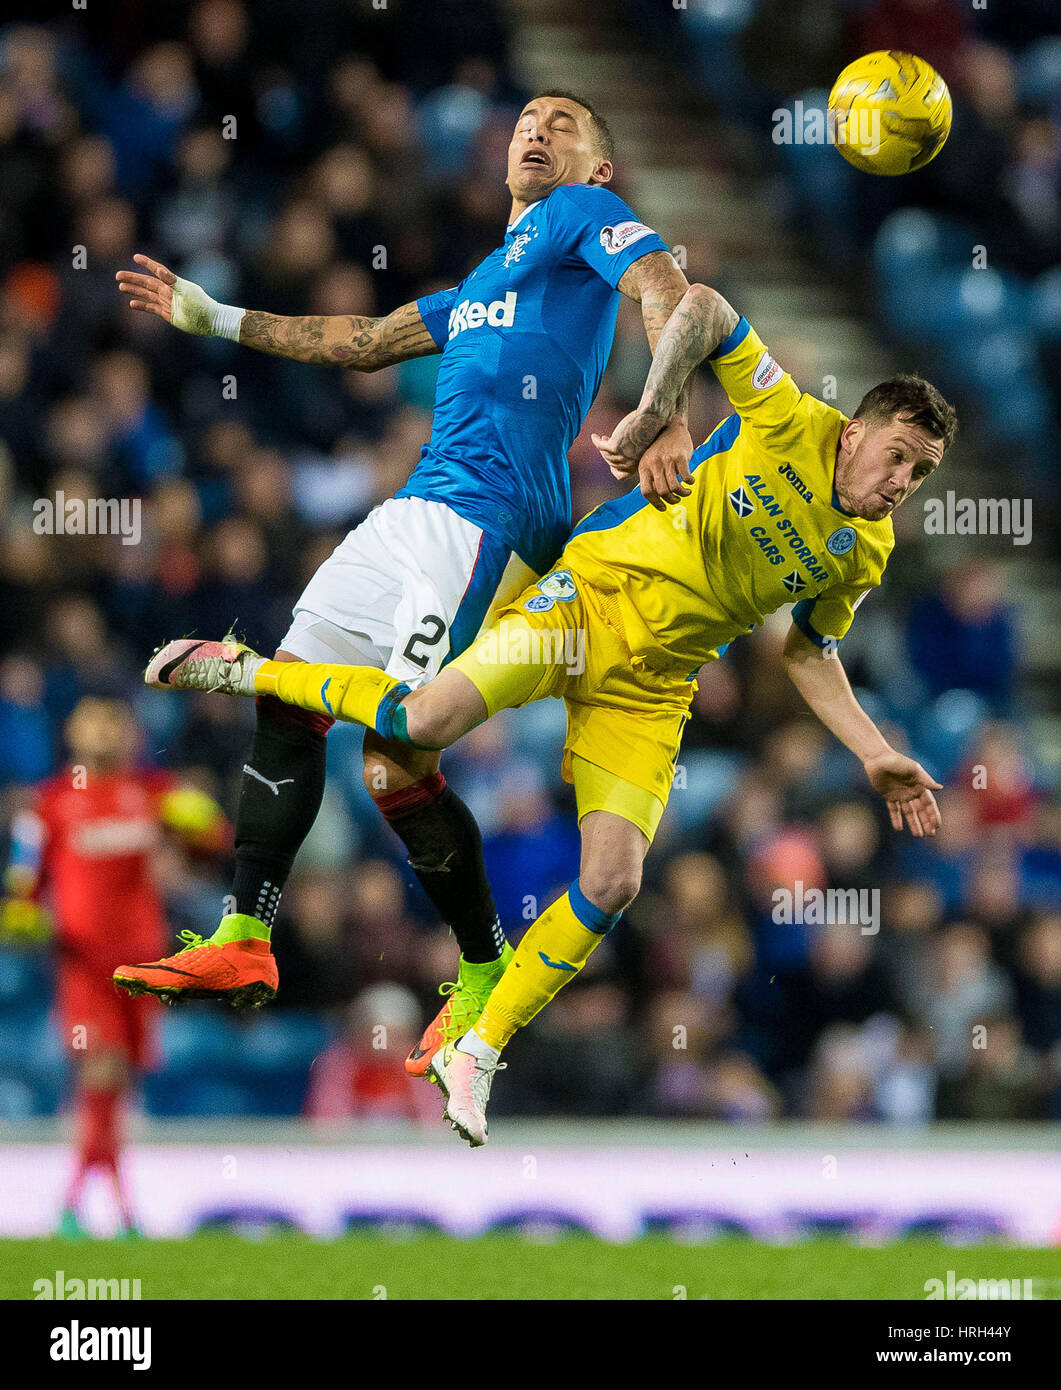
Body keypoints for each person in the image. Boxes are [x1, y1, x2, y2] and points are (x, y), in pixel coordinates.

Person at [121, 281, 956, 1145]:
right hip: (586, 601)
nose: (902, 482)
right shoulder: (785, 417)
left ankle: (477, 1049)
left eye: (921, 473)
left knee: (614, 881)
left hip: (655, 684)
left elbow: (806, 651)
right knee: (418, 724)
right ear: (853, 430)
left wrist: (872, 751)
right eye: (896, 455)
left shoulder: (864, 549)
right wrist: (655, 413)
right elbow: (700, 306)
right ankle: (255, 674)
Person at [114, 92, 695, 1076]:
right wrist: (215, 317)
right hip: (412, 509)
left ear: (599, 166)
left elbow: (665, 285)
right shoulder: (484, 280)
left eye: (564, 121)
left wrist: (664, 412)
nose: (537, 128)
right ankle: (243, 936)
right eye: (527, 116)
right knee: (288, 706)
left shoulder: (584, 219)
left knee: (395, 756)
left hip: (488, 521)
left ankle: (480, 972)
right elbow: (363, 340)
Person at [1, 698, 227, 1231]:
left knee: (115, 1090)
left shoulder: (153, 792)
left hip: (143, 967)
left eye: (115, 720)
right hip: (83, 967)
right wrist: (22, 913)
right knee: (100, 1075)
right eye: (94, 719)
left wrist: (201, 820)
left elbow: (216, 843)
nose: (106, 731)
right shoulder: (50, 803)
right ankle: (90, 1205)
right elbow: (22, 879)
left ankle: (96, 1205)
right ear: (73, 732)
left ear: (131, 731)